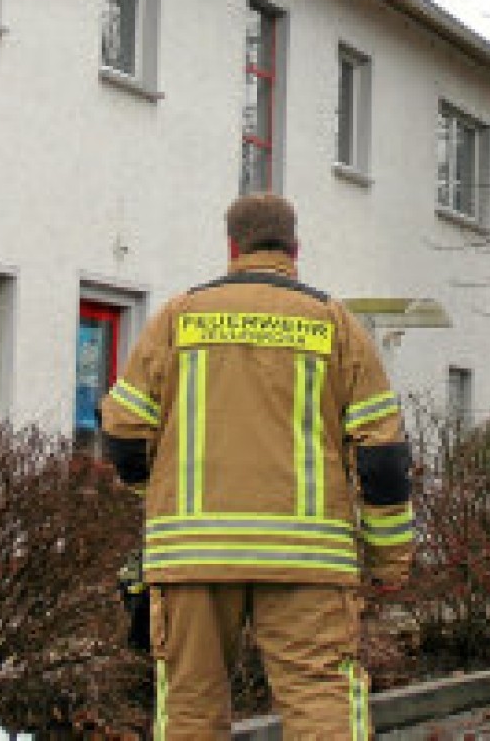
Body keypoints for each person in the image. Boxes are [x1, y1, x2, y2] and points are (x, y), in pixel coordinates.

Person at [100, 194, 414, 739]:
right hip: (308, 557)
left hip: (192, 554)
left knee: (191, 706)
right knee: (321, 701)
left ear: (232, 247)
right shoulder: (335, 325)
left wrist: (158, 500)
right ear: (295, 249)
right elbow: (382, 460)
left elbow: (125, 435)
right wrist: (389, 560)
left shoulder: (177, 318)